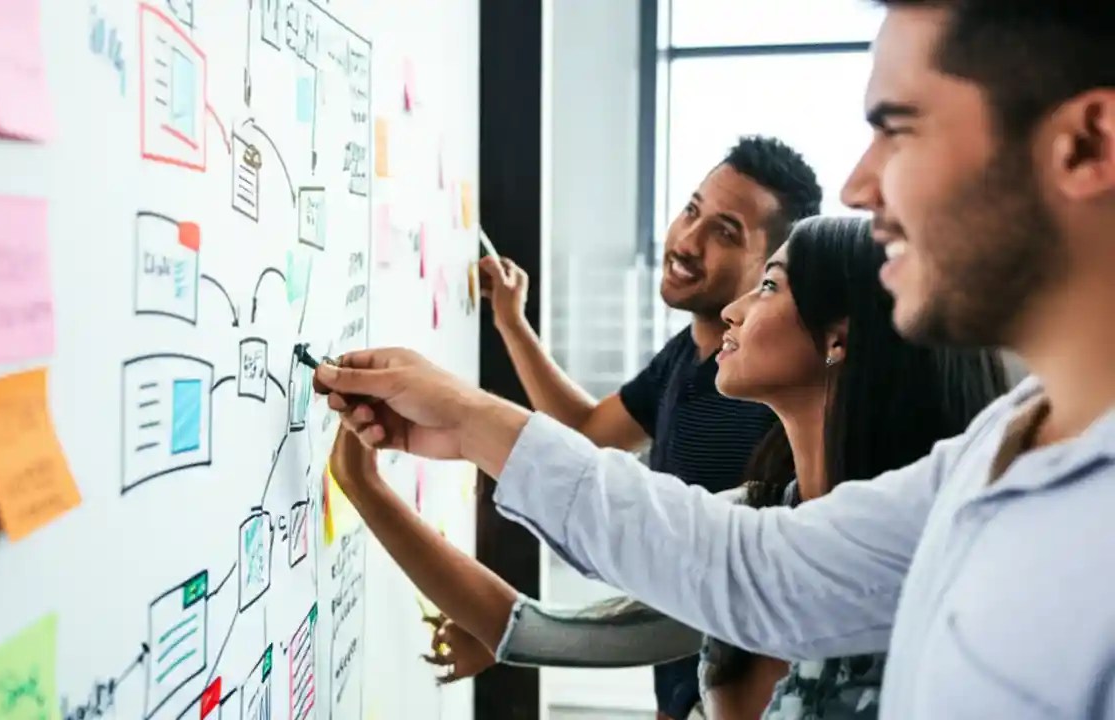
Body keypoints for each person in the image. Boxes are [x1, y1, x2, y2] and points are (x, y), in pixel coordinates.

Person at [313, 2, 1115, 716]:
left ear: (1086, 145)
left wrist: (465, 417)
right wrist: (463, 411)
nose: (860, 183)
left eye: (899, 127)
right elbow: (750, 568)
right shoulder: (993, 448)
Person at [326, 217, 1008, 718]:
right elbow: (543, 631)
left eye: (768, 284)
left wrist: (468, 415)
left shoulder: (930, 575)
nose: (738, 307)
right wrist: (367, 485)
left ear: (838, 338)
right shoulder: (753, 520)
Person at [476, 134, 822, 719]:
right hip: (681, 688)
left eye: (725, 232)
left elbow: (708, 585)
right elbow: (586, 428)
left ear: (771, 269)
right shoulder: (685, 354)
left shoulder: (761, 399)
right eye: (692, 210)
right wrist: (512, 322)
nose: (687, 241)